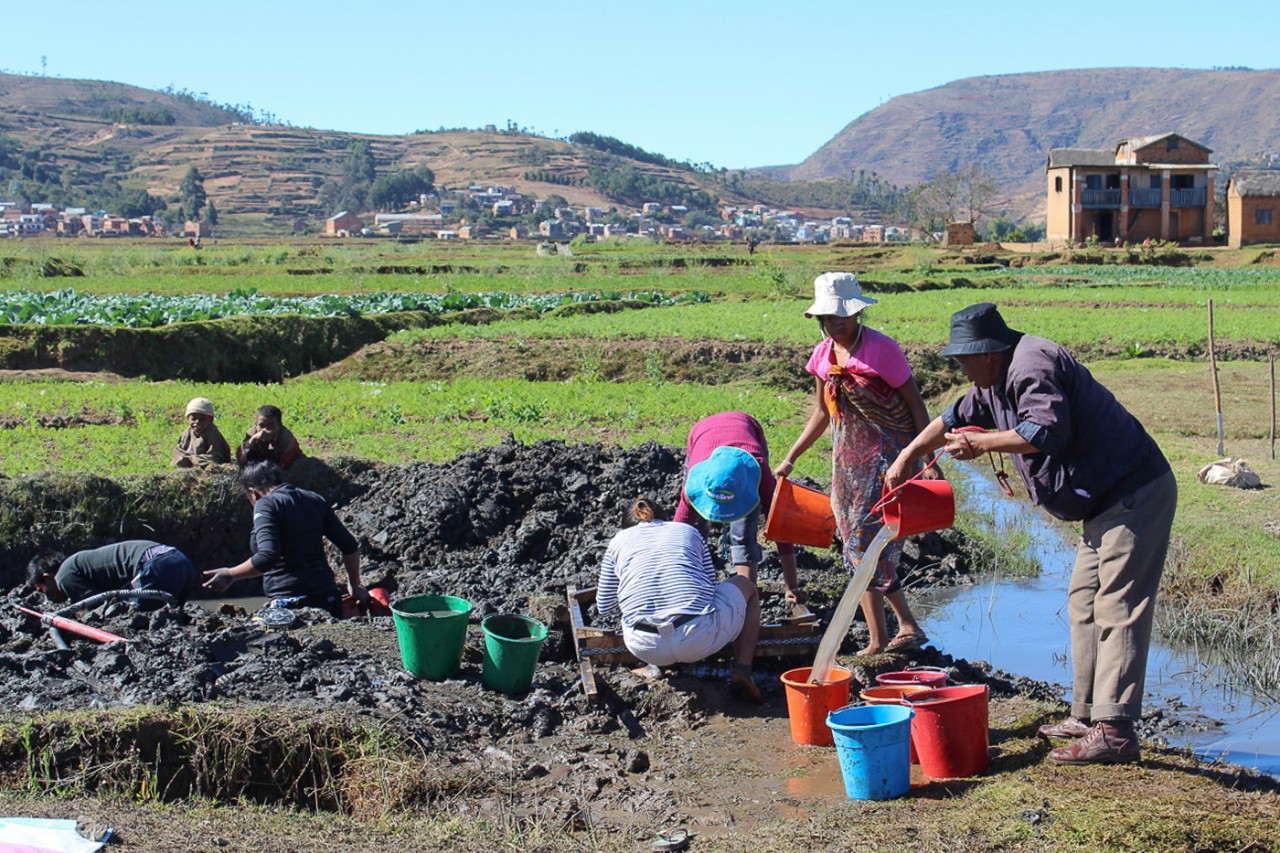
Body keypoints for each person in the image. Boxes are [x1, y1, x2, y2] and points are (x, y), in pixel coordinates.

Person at [885, 302, 1177, 766]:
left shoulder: (1032, 364)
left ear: (989, 352)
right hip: (1101, 503)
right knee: (1084, 601)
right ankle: (1087, 716)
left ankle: (1117, 730)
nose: (961, 366)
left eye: (964, 358)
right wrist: (909, 454)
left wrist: (982, 444)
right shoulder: (993, 380)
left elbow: (1046, 431)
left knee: (1118, 604)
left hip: (1133, 492)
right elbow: (955, 416)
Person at [775, 272, 934, 656]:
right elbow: (821, 414)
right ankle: (903, 628)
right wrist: (790, 457)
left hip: (889, 458)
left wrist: (925, 458)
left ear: (857, 314)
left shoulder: (883, 350)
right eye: (828, 319)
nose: (835, 324)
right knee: (855, 544)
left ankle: (884, 637)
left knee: (865, 545)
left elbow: (915, 406)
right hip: (848, 463)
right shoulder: (823, 355)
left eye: (842, 317)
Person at [596, 496, 763, 703]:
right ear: (664, 518)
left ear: (627, 527)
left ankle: (655, 666)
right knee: (748, 587)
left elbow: (604, 606)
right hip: (697, 637)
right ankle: (743, 670)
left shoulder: (617, 542)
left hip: (644, 646)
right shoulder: (687, 531)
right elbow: (709, 589)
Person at [203, 461, 368, 614]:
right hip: (328, 598)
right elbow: (349, 545)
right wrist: (354, 585)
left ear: (253, 493)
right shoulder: (314, 499)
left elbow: (268, 556)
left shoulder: (266, 503)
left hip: (291, 604)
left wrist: (230, 574)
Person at [673, 412, 803, 604]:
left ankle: (747, 596)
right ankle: (694, 585)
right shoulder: (695, 483)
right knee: (693, 531)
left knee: (743, 529)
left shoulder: (758, 472)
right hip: (702, 436)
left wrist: (791, 586)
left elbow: (780, 529)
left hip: (746, 429)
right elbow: (677, 534)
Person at [27, 540, 197, 606]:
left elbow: (97, 604)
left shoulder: (63, 576)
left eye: (42, 590)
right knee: (173, 615)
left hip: (156, 566)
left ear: (47, 578)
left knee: (141, 622)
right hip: (180, 560)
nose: (48, 597)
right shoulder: (77, 563)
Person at [236, 405, 304, 469]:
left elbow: (286, 464)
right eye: (261, 426)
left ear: (279, 426)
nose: (265, 430)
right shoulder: (252, 434)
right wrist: (252, 440)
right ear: (256, 425)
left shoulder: (286, 438)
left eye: (271, 425)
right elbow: (241, 460)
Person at [172, 396, 231, 469]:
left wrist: (193, 460)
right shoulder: (186, 434)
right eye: (193, 418)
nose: (197, 422)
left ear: (210, 420)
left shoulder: (212, 433)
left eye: (202, 419)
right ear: (188, 419)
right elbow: (178, 451)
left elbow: (216, 457)